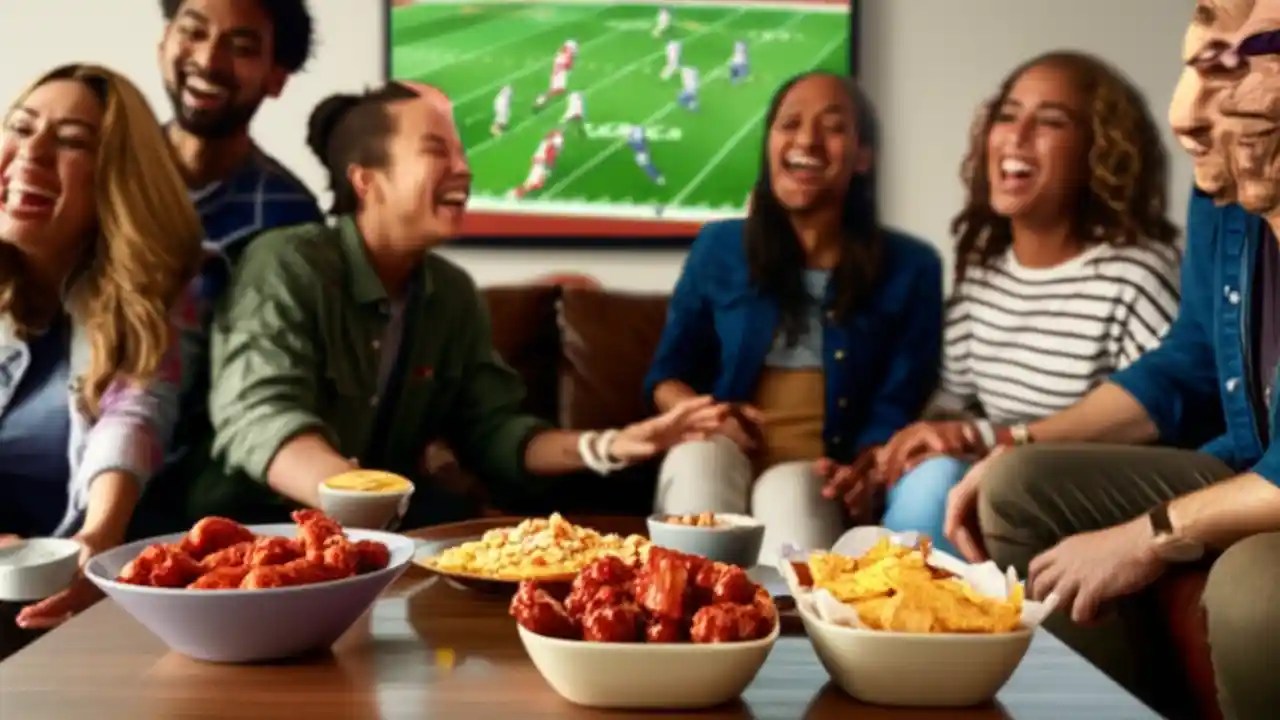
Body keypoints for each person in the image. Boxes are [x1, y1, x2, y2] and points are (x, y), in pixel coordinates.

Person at [934, 3, 1280, 717]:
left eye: (1229, 67)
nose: (1186, 117)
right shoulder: (1224, 186)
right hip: (1251, 463)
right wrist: (1016, 440)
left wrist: (1149, 536)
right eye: (1199, 64)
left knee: (1253, 589)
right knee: (1019, 484)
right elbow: (1190, 363)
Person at [186, 81, 729, 526]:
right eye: (436, 150)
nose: (464, 169)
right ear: (367, 181)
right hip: (253, 527)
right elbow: (259, 414)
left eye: (462, 152)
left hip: (378, 530)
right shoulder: (288, 263)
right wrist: (357, 498)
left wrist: (612, 445)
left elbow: (493, 431)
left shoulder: (450, 294)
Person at [858, 52, 1182, 555]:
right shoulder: (984, 278)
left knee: (941, 485)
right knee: (928, 474)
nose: (1017, 134)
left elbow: (1163, 422)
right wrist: (897, 452)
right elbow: (952, 408)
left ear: (1101, 151)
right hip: (996, 483)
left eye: (1051, 121)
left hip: (1083, 501)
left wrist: (991, 440)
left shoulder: (1136, 277)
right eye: (1007, 115)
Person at [644, 71, 943, 564]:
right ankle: (685, 605)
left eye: (833, 127)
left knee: (793, 501)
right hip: (723, 450)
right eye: (790, 124)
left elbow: (899, 401)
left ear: (863, 156)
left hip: (816, 469)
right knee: (699, 461)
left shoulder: (912, 268)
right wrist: (705, 415)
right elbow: (666, 377)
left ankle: (797, 612)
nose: (807, 140)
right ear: (770, 144)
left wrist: (864, 468)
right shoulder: (718, 247)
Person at [0, 64, 202, 647]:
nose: (32, 153)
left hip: (57, 607)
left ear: (117, 179)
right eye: (21, 127)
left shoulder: (161, 293)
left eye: (71, 142)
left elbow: (136, 411)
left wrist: (100, 534)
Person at [131, 0, 325, 537]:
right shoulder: (102, 175)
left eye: (241, 47)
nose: (209, 60)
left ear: (276, 78)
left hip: (204, 490)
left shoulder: (290, 216)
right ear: (164, 42)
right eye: (193, 32)